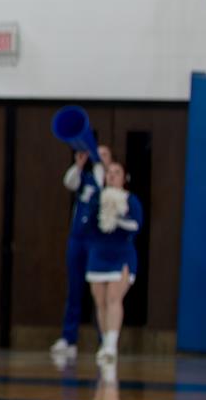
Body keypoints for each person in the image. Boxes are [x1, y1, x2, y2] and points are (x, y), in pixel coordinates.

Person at [52, 141, 113, 364]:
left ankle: (105, 339)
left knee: (99, 292)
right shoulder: (84, 178)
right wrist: (79, 165)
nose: (99, 156)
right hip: (77, 239)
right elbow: (69, 182)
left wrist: (107, 168)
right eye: (98, 152)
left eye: (104, 153)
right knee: (75, 288)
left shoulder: (108, 180)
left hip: (98, 242)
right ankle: (69, 339)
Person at [87, 160, 143, 367]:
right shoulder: (96, 198)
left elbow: (136, 226)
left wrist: (117, 216)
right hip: (98, 255)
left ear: (123, 177)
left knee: (113, 298)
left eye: (116, 172)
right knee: (100, 301)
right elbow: (88, 224)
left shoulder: (131, 200)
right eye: (109, 172)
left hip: (121, 255)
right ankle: (104, 342)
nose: (111, 175)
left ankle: (112, 344)